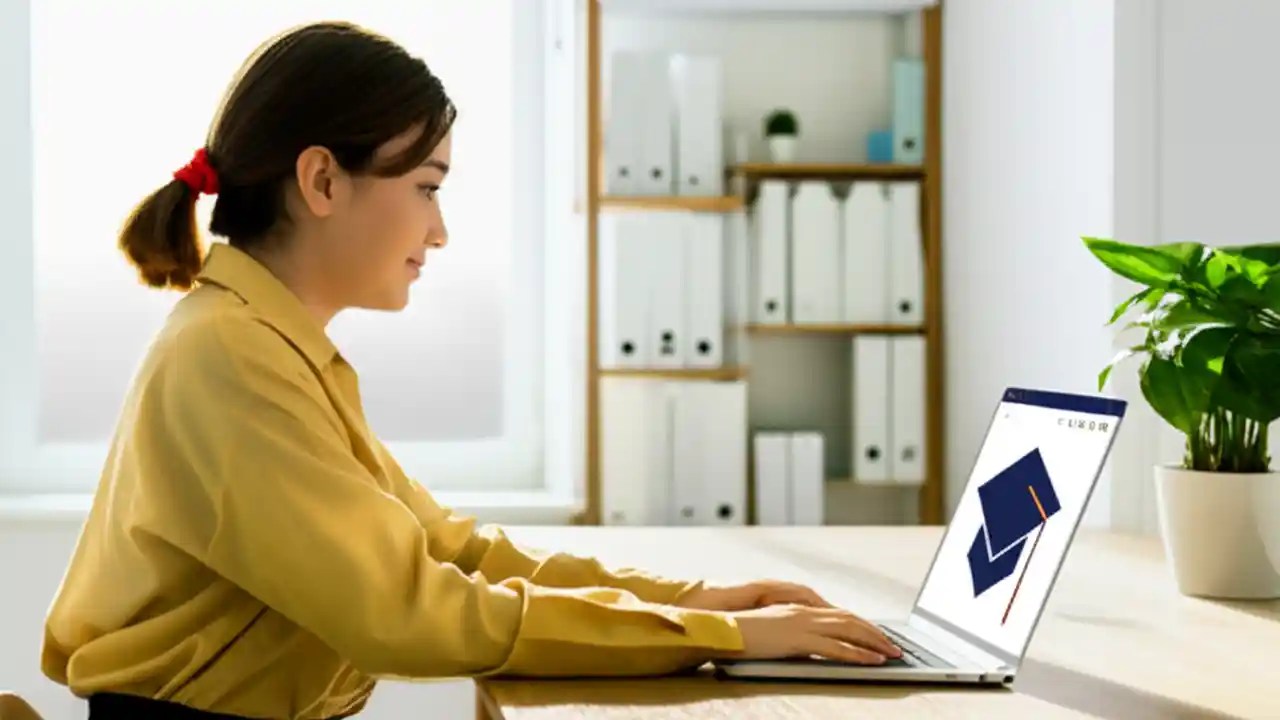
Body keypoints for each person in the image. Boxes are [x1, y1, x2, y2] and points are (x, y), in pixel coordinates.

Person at [41, 21, 900, 720]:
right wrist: (715, 633)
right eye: (426, 186)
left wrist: (703, 600)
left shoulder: (267, 342)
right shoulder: (227, 359)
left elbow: (453, 551)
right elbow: (407, 613)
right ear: (322, 180)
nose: (440, 230)